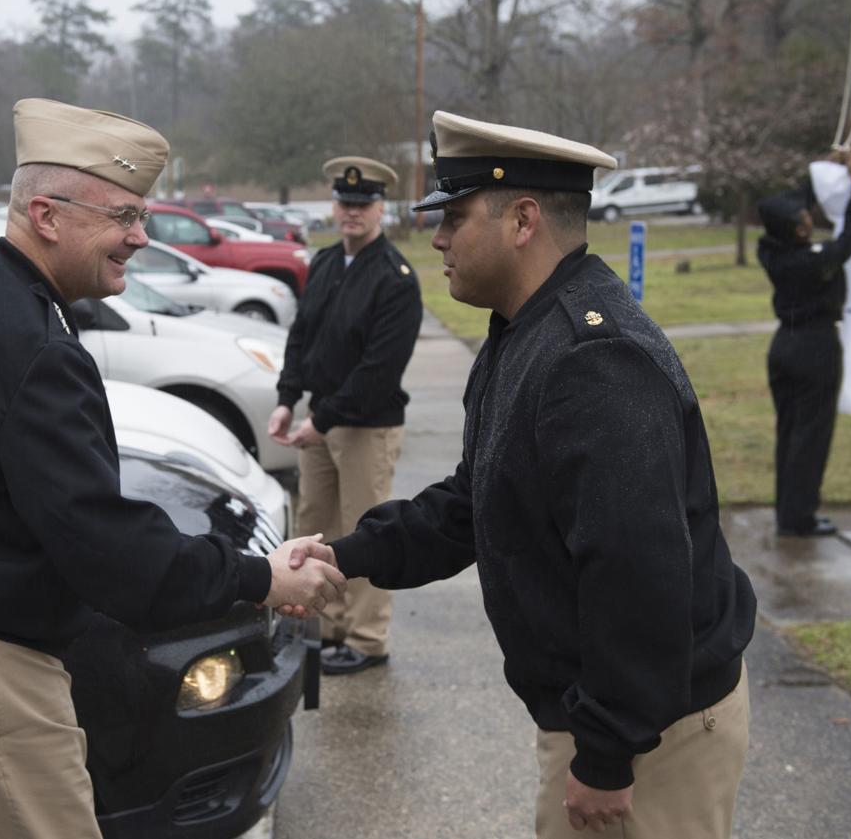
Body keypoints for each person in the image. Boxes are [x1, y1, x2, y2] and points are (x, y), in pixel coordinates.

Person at [0, 98, 345, 839]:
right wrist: (262, 579)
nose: (141, 236)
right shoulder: (33, 342)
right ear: (48, 216)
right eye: (122, 216)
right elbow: (111, 551)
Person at [311, 111, 757, 836]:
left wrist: (608, 751)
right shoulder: (525, 330)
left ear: (522, 220)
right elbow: (475, 500)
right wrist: (343, 554)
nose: (438, 236)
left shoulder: (592, 361)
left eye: (454, 217)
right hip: (608, 714)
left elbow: (636, 570)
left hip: (654, 734)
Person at [267, 156, 423, 675]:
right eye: (345, 203)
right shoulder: (327, 262)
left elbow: (379, 368)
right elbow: (301, 336)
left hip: (365, 425)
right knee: (316, 526)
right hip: (321, 419)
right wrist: (289, 398)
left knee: (365, 532)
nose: (352, 213)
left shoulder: (396, 278)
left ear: (381, 209)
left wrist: (324, 417)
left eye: (364, 205)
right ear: (334, 205)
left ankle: (367, 638)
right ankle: (324, 626)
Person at [757, 147, 851, 537]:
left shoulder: (771, 249)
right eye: (805, 218)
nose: (809, 214)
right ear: (800, 230)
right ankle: (798, 517)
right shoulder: (811, 261)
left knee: (790, 432)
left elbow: (794, 203)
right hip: (815, 349)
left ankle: (788, 511)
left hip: (783, 348)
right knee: (811, 436)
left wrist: (824, 169)